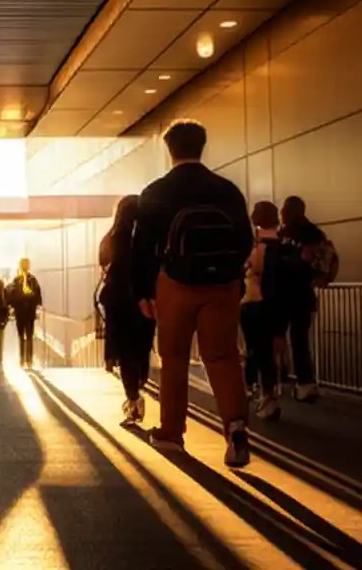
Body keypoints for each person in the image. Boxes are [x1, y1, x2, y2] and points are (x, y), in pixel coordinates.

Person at [133, 120, 254, 467]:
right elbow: (244, 239)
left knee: (174, 356)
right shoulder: (226, 190)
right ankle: (235, 427)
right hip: (222, 286)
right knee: (222, 356)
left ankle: (172, 431)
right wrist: (230, 273)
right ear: (202, 146)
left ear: (169, 149)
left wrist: (143, 290)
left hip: (175, 283)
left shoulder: (156, 191)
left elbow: (142, 246)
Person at [101, 195, 155, 427]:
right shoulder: (148, 238)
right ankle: (139, 385)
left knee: (124, 354)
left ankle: (133, 399)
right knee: (141, 348)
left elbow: (104, 266)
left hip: (119, 303)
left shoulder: (111, 238)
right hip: (144, 302)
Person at [241, 201, 297, 422]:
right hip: (275, 304)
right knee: (267, 352)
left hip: (250, 303)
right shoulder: (285, 247)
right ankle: (267, 395)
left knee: (255, 349)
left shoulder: (250, 246)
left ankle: (260, 393)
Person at [278, 196, 328, 402]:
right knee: (300, 340)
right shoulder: (316, 233)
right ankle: (305, 383)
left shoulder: (281, 234)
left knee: (277, 337)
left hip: (281, 294)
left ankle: (274, 382)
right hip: (305, 295)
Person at [6, 258, 43, 369]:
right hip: (22, 312)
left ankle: (27, 360)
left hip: (26, 312)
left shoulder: (29, 280)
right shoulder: (19, 280)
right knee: (23, 336)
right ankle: (24, 360)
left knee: (27, 336)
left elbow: (37, 295)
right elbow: (12, 295)